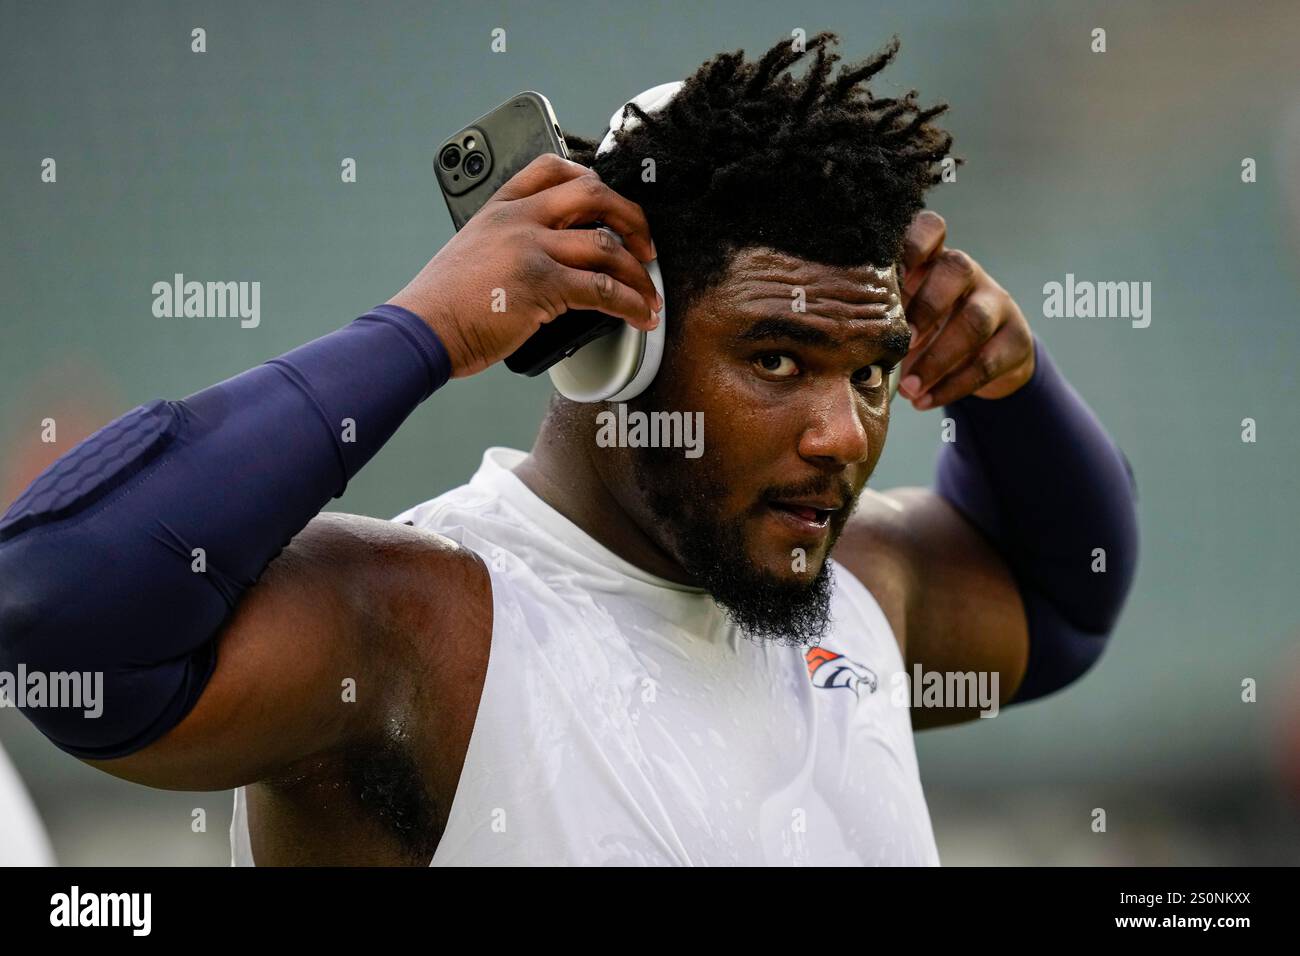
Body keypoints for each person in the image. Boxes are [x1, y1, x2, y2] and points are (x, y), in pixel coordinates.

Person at [0, 33, 1137, 865]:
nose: (843, 434)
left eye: (873, 370)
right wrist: (425, 330)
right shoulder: (423, 632)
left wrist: (1013, 393)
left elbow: (1072, 600)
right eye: (778, 360)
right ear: (613, 342)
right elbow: (56, 612)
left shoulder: (861, 594)